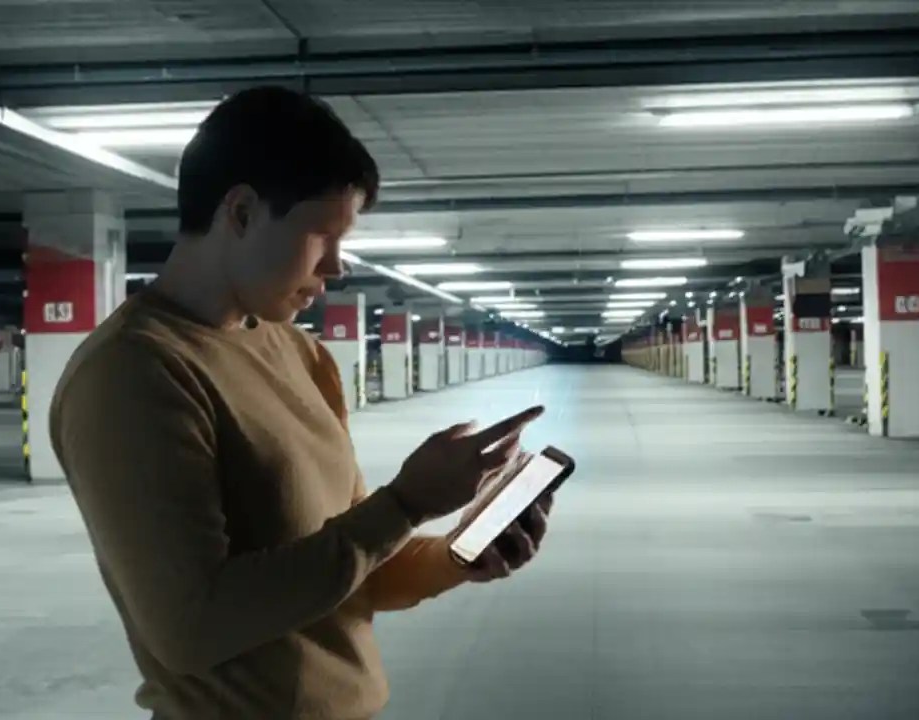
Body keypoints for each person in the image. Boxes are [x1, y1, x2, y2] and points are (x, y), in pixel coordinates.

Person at [49, 86, 554, 720]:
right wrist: (405, 503)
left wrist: (459, 553)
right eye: (322, 235)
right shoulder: (133, 372)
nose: (338, 267)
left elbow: (356, 570)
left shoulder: (299, 353)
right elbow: (190, 629)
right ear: (240, 213)